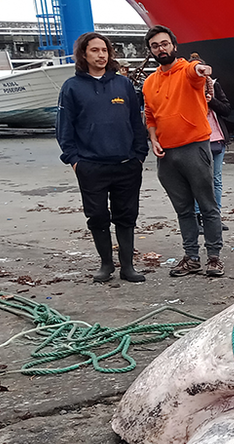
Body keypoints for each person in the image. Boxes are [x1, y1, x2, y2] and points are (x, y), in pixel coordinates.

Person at [56, 32, 148, 283]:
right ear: (83, 54)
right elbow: (64, 127)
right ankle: (106, 264)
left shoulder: (123, 84)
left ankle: (127, 267)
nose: (101, 55)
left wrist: (140, 155)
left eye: (104, 50)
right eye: (95, 50)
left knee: (126, 215)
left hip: (126, 164)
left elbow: (136, 122)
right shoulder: (72, 87)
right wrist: (74, 160)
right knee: (97, 216)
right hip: (91, 166)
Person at [142, 25, 224, 277]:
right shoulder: (149, 82)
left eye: (165, 44)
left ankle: (214, 257)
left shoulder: (187, 72)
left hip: (194, 148)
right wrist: (153, 140)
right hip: (167, 154)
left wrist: (200, 69)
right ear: (151, 51)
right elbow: (150, 115)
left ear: (174, 46)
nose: (161, 49)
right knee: (183, 209)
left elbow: (195, 71)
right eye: (155, 46)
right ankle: (191, 257)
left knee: (208, 205)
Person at [188, 56, 232, 234]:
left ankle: (214, 216)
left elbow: (227, 109)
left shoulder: (213, 85)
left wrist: (210, 100)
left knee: (216, 180)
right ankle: (199, 216)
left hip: (217, 138)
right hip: (197, 139)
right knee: (199, 180)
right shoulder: (186, 88)